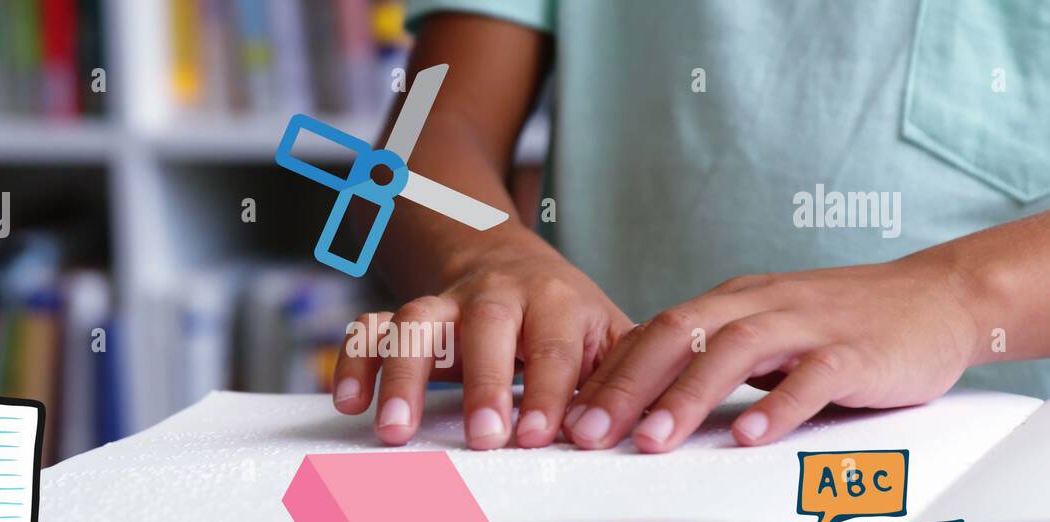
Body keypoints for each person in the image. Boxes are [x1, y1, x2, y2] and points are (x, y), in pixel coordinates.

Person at [330, 0, 1050, 453]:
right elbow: (424, 130)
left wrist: (962, 298)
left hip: (1008, 470)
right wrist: (483, 256)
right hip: (621, 453)